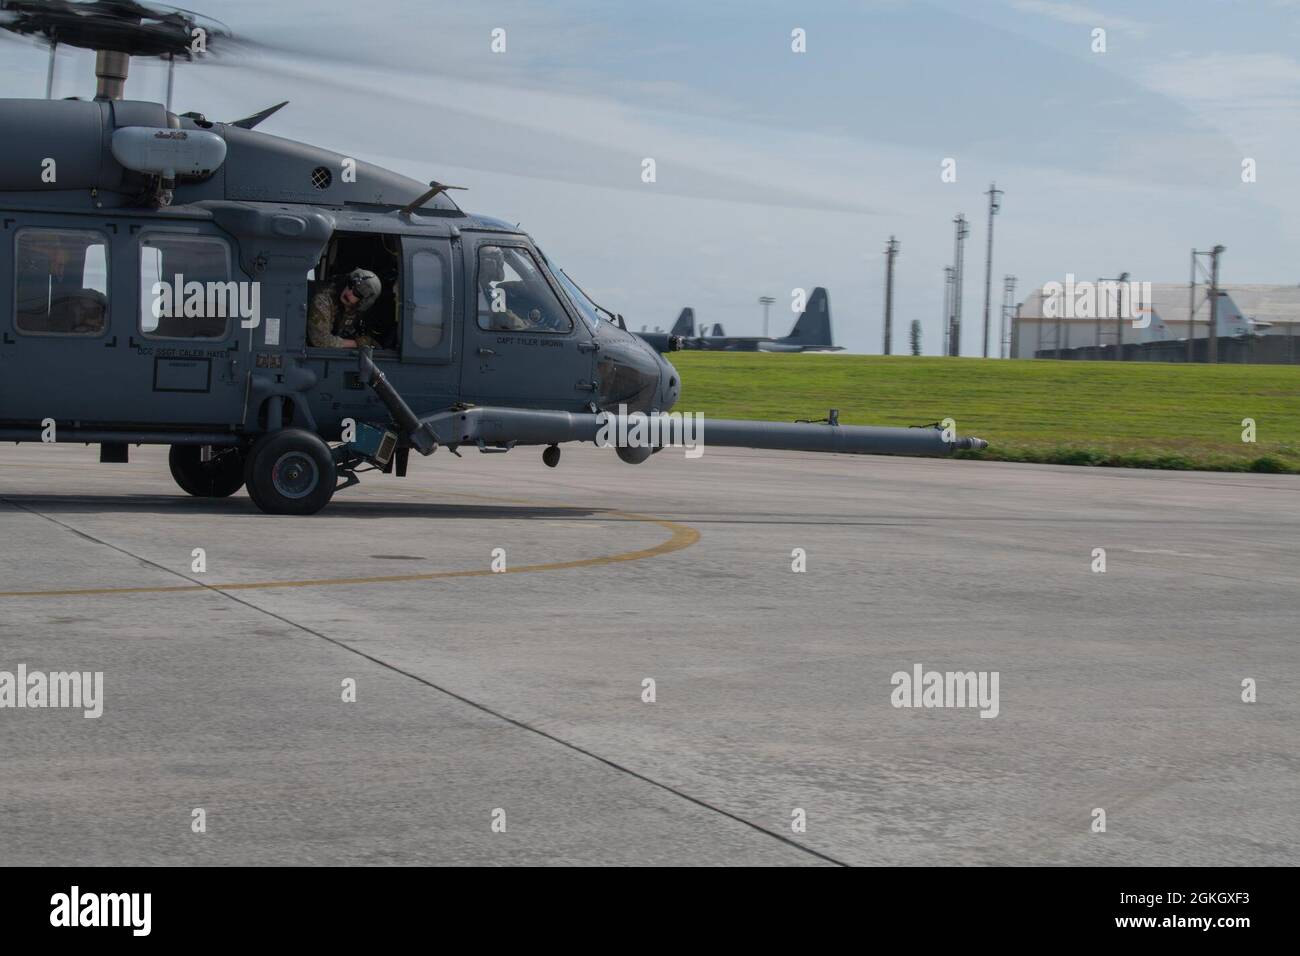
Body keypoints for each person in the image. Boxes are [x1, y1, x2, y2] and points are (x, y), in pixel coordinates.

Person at [308, 268, 382, 348]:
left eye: (356, 293)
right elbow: (320, 340)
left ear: (364, 301)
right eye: (350, 284)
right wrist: (357, 343)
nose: (349, 292)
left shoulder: (356, 311)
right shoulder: (323, 300)